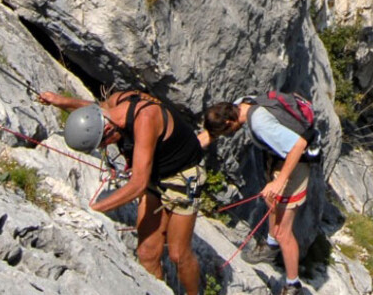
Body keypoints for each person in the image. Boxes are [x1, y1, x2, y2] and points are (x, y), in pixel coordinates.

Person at [38, 89, 209, 294]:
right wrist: (59, 100)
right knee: (146, 253)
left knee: (178, 254)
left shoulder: (145, 118)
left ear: (108, 129)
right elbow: (92, 109)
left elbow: (138, 184)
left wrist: (93, 209)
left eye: (104, 143)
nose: (107, 147)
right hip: (155, 175)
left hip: (182, 177)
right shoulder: (113, 105)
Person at [203, 93, 320, 291]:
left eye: (227, 131)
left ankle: (293, 284)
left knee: (284, 231)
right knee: (270, 200)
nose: (229, 135)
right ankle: (271, 244)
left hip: (296, 164)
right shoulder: (241, 103)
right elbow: (213, 130)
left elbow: (297, 146)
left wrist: (280, 181)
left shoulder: (258, 123)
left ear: (230, 120)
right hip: (279, 158)